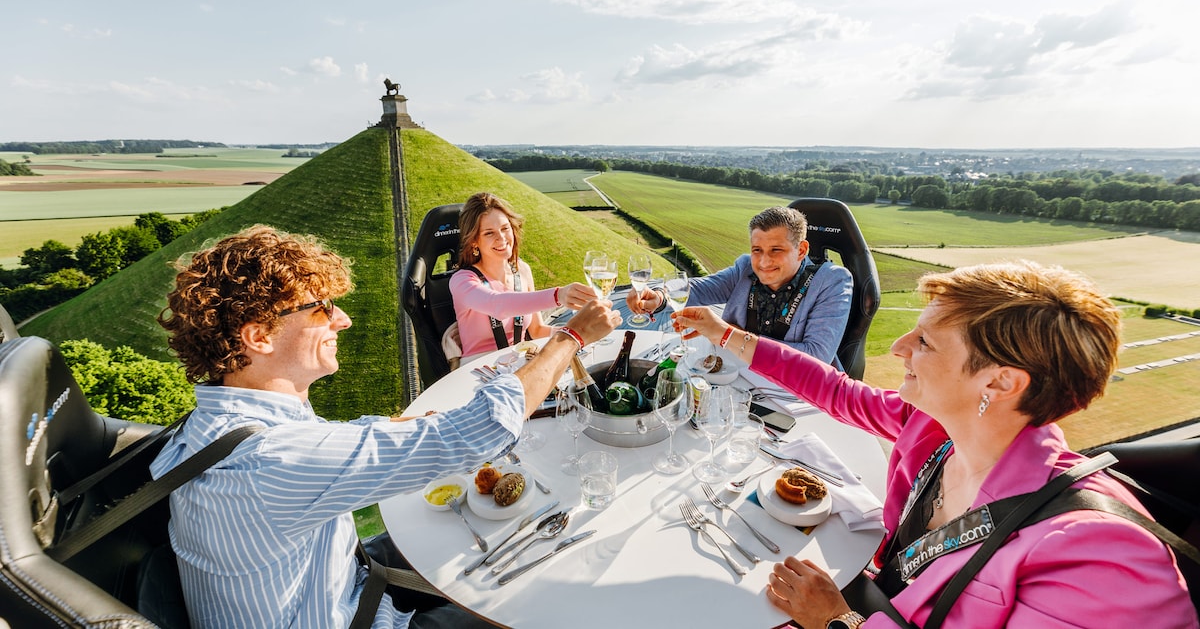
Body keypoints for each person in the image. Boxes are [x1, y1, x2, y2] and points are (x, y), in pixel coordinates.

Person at [673, 260, 1197, 629]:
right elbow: (835, 390)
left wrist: (839, 622)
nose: (898, 347)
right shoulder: (931, 427)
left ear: (998, 383)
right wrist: (725, 334)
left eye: (923, 341)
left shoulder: (1099, 559)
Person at [151, 225, 620, 629]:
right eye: (320, 308)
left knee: (509, 531)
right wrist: (570, 338)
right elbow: (480, 433)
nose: (344, 319)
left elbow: (330, 444)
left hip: (334, 578)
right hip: (352, 614)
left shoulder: (221, 423)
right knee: (542, 598)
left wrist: (402, 424)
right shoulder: (271, 459)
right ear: (259, 336)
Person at [627, 205, 853, 368]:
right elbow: (699, 288)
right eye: (757, 250)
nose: (763, 262)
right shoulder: (746, 267)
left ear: (801, 250)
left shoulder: (833, 281)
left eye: (776, 250)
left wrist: (728, 333)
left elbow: (815, 358)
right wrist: (660, 296)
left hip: (795, 396)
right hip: (736, 374)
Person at [450, 192, 596, 360]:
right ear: (474, 241)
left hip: (520, 364)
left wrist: (581, 333)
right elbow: (498, 305)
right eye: (489, 233)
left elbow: (537, 331)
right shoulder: (462, 281)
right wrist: (558, 295)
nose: (502, 238)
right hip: (477, 370)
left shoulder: (523, 270)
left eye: (505, 228)